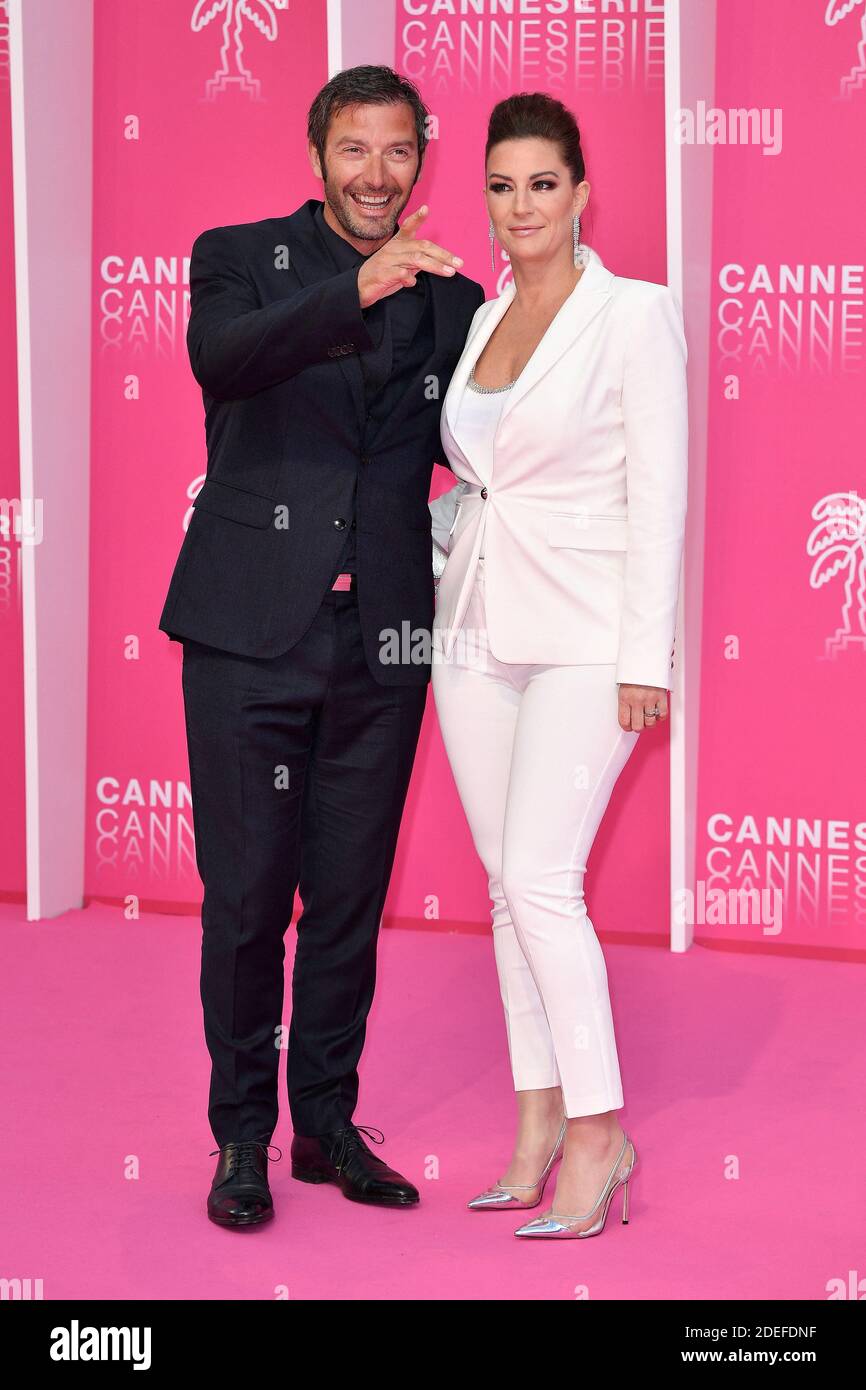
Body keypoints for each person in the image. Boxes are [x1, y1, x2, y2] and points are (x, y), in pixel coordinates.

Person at [159, 65, 484, 1228]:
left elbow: (496, 439)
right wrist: (358, 284)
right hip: (249, 634)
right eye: (355, 150)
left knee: (345, 903)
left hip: (385, 639)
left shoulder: (453, 298)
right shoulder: (239, 256)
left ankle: (326, 1127)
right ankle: (239, 1137)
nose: (377, 174)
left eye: (399, 152)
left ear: (419, 164)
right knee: (247, 900)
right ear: (317, 159)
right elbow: (224, 359)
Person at [430, 92, 688, 1240]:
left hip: (589, 638)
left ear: (580, 192)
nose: (520, 204)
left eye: (542, 182)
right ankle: (536, 1119)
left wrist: (648, 657)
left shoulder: (634, 315)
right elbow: (483, 484)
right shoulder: (484, 319)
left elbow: (659, 497)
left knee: (539, 878)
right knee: (501, 888)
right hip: (475, 630)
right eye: (500, 184)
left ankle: (597, 1135)